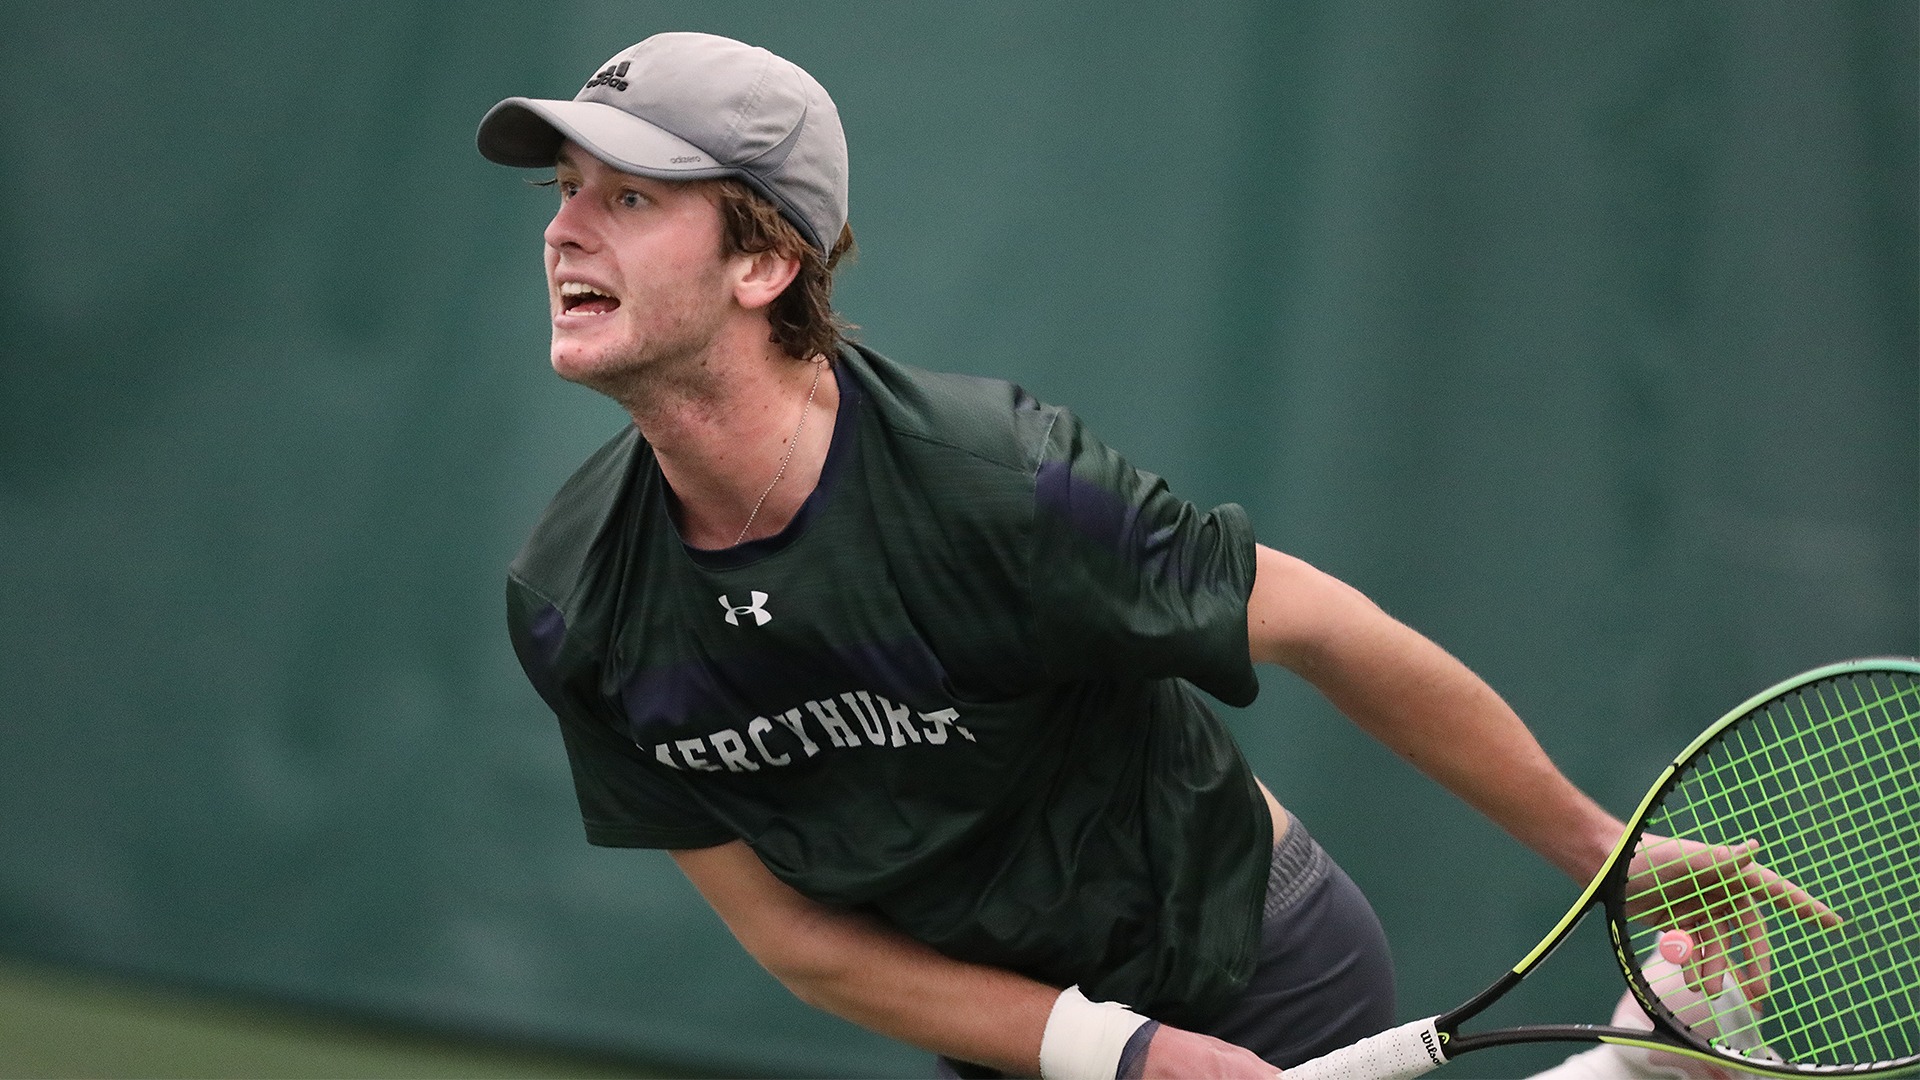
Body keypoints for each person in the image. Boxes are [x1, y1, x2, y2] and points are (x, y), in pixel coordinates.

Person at [481, 32, 1823, 1079]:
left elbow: (1325, 626)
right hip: (1035, 1037)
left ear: (762, 263)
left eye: (633, 196)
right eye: (567, 191)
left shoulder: (994, 486)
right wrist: (1108, 1051)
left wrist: (1603, 849)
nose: (565, 229)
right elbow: (796, 942)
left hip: (1250, 962)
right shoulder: (573, 602)